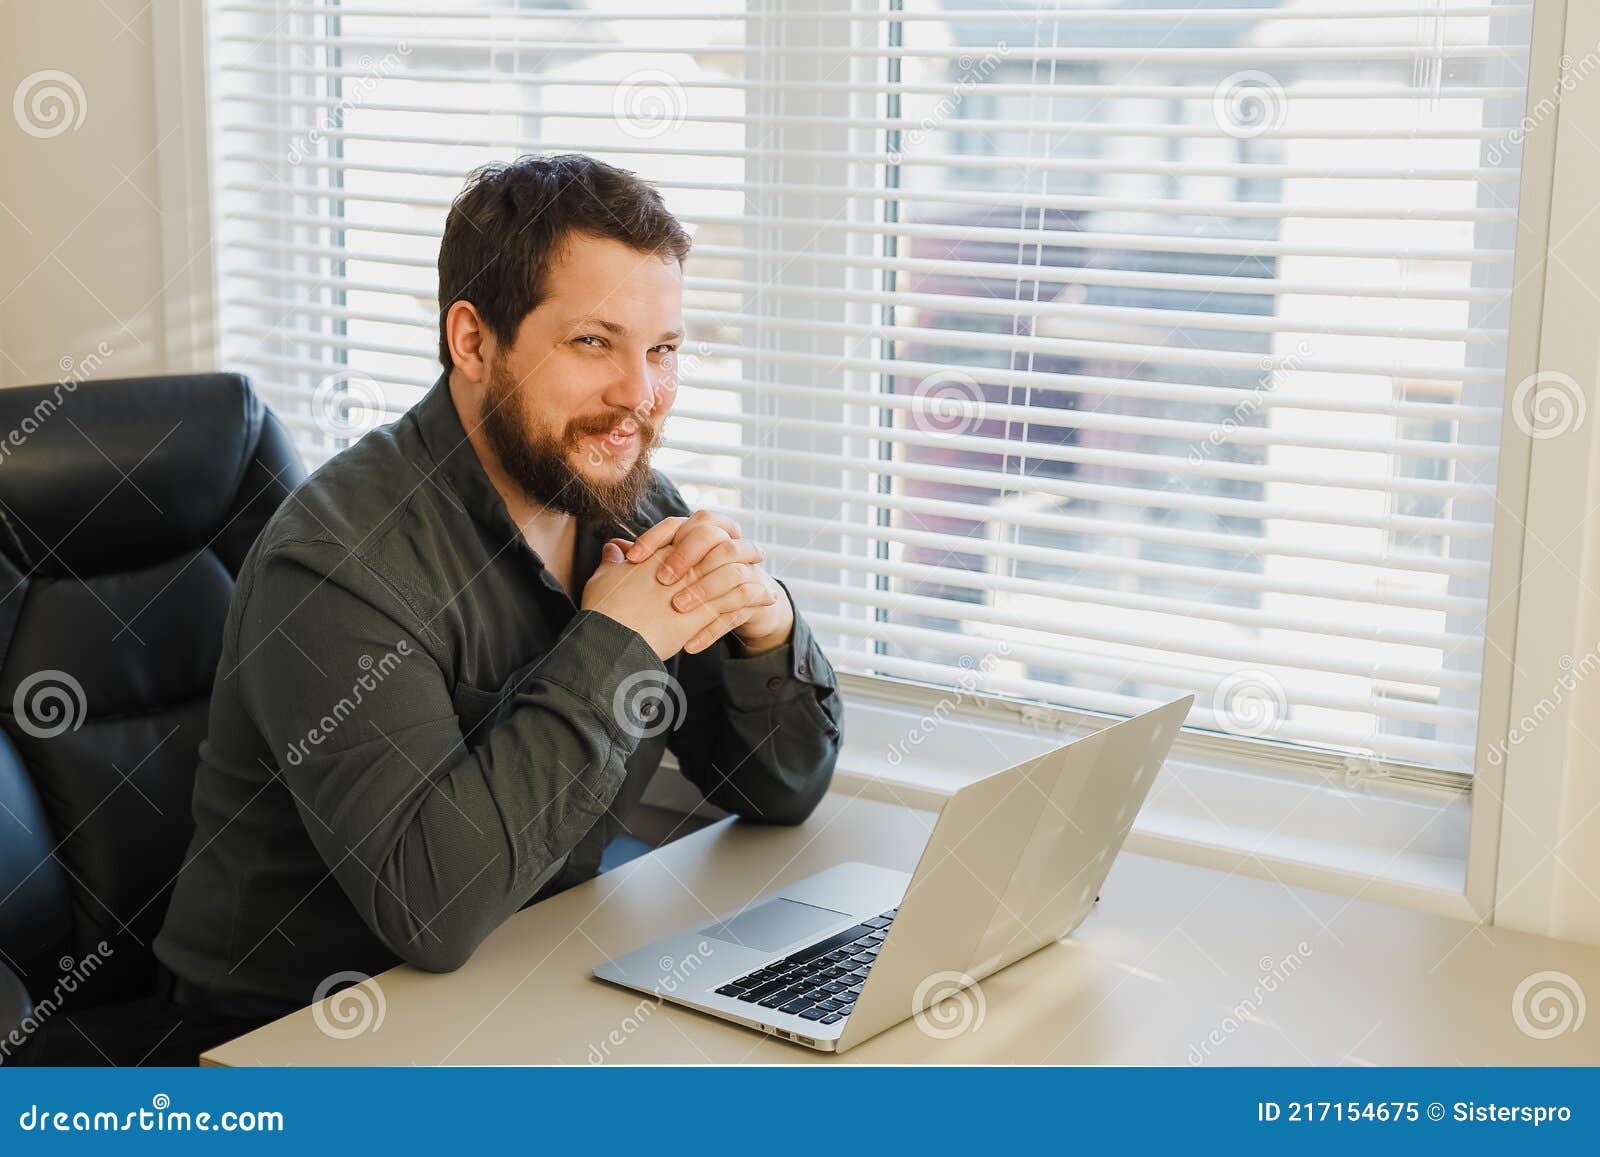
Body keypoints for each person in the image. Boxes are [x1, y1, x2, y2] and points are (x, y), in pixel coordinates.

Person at [33, 153, 841, 1065]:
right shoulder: (334, 561)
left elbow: (778, 788)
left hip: (530, 986)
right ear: (471, 340)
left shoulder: (625, 500)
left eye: (662, 350)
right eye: (592, 343)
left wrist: (763, 631)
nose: (641, 397)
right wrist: (615, 641)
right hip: (288, 1039)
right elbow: (435, 910)